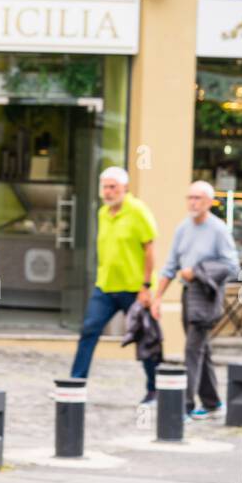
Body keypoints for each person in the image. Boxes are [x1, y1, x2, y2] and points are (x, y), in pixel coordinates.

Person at [151, 180, 239, 419]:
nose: (193, 202)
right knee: (202, 349)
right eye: (189, 197)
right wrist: (157, 298)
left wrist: (199, 271)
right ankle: (212, 403)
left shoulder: (219, 229)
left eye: (198, 198)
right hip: (188, 294)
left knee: (192, 349)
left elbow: (232, 266)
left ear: (209, 202)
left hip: (207, 295)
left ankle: (185, 406)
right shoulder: (182, 228)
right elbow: (170, 266)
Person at [70, 167, 158, 403]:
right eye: (105, 187)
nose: (108, 192)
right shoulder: (102, 213)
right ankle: (76, 383)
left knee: (144, 337)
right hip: (106, 286)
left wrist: (146, 286)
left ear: (124, 188)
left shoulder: (137, 211)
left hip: (134, 288)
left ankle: (154, 388)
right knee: (89, 330)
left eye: (113, 187)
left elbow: (149, 250)